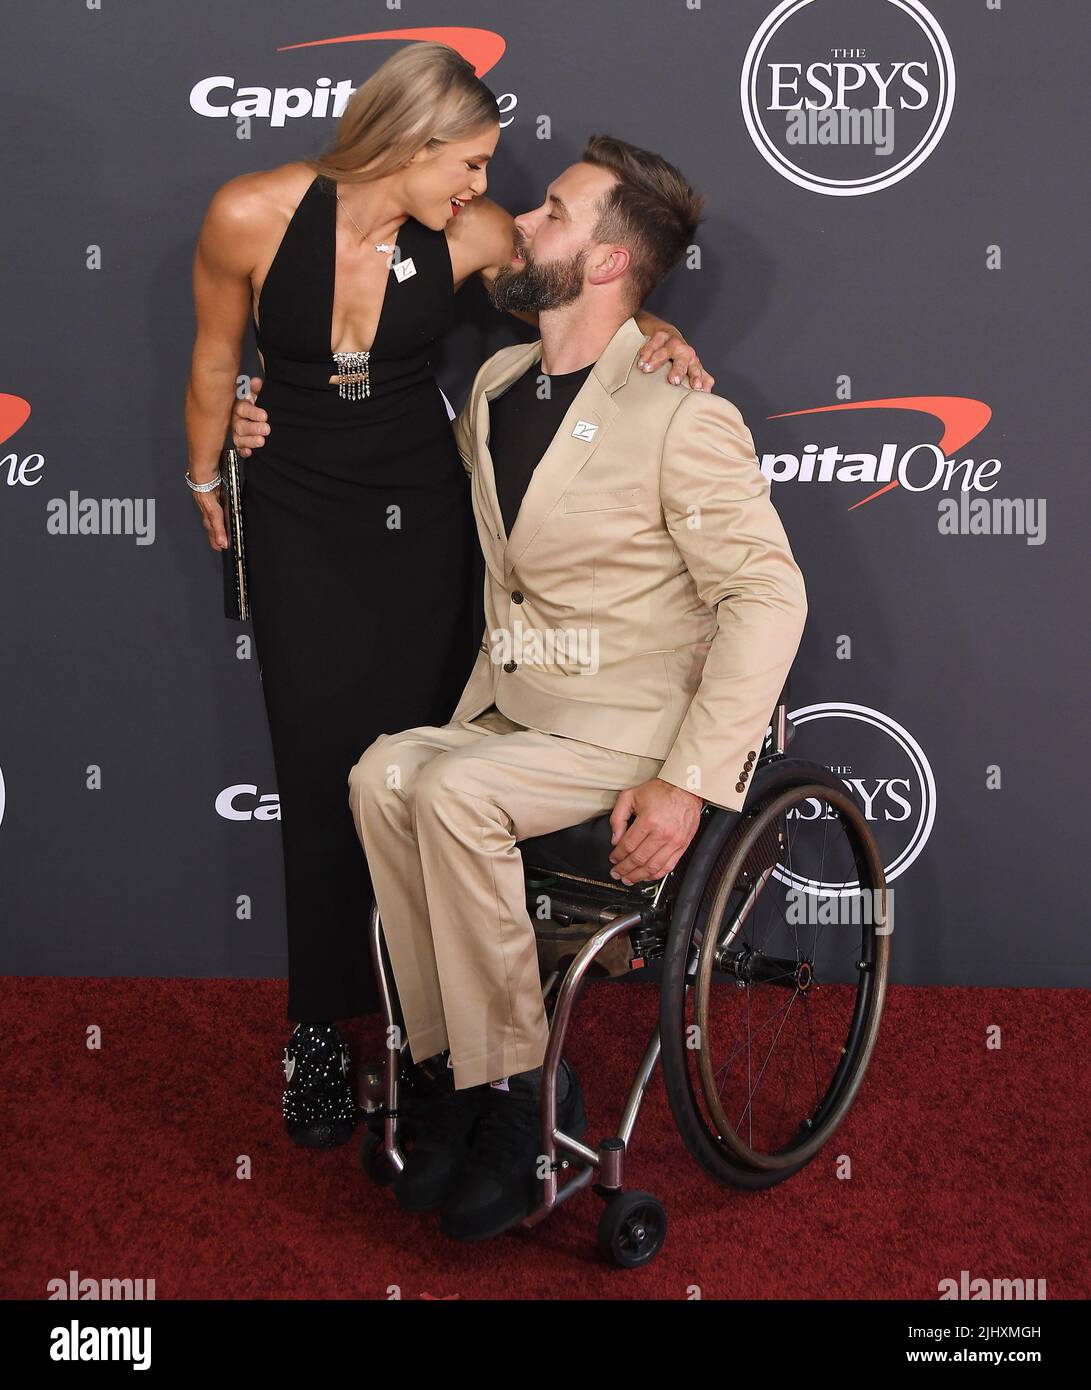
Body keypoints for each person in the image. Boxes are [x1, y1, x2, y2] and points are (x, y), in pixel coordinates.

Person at [261, 132, 808, 1242]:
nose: (517, 221)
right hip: (520, 712)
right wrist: (245, 419)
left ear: (606, 261)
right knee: (380, 774)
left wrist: (690, 782)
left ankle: (518, 1105)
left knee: (453, 795)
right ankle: (442, 1073)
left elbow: (769, 597)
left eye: (552, 212)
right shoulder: (500, 383)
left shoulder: (682, 417)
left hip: (635, 731)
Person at [188, 42, 712, 1150]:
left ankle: (444, 1052)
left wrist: (663, 340)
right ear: (409, 142)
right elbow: (210, 358)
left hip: (422, 529)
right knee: (317, 773)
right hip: (295, 520)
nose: (486, 189)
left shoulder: (468, 236)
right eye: (469, 161)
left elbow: (584, 296)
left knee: (422, 769)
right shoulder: (247, 213)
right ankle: (317, 1034)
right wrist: (205, 475)